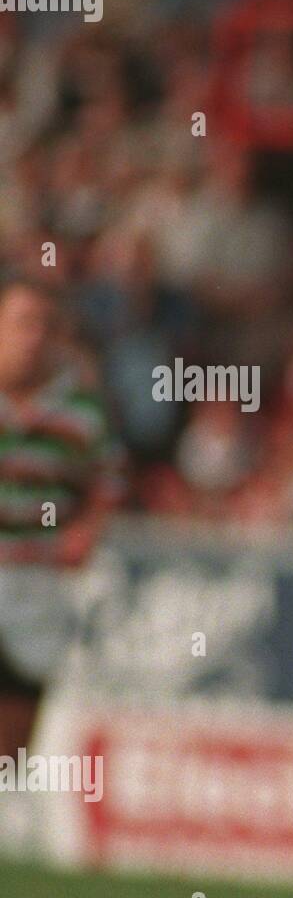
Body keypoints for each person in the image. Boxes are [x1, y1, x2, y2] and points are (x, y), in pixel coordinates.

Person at [0, 278, 120, 761]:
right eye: (22, 323)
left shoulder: (79, 410)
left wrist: (84, 532)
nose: (32, 337)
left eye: (44, 326)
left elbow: (106, 483)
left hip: (36, 577)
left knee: (17, 715)